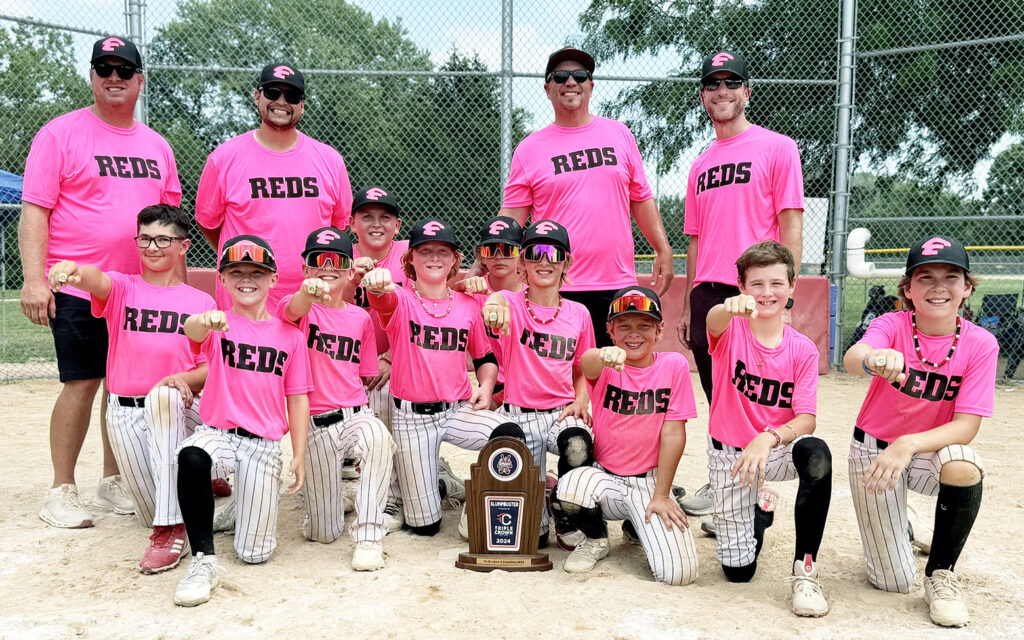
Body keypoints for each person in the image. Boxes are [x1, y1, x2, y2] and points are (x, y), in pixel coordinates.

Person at [20, 35, 181, 528]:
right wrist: (34, 280)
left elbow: (169, 224)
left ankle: (114, 479)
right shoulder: (60, 134)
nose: (115, 77)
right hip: (77, 287)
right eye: (104, 68)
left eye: (124, 70)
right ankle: (61, 488)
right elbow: (35, 210)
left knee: (126, 385)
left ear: (139, 80)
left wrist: (170, 291)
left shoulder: (156, 145)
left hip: (138, 290)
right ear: (92, 76)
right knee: (83, 382)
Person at [47, 204, 213, 573]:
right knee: (148, 511)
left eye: (163, 239)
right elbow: (96, 278)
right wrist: (71, 271)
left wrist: (181, 380)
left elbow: (210, 369)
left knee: (164, 398)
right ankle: (193, 487)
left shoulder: (200, 302)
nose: (152, 247)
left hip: (179, 408)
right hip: (124, 412)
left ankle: (170, 530)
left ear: (184, 246)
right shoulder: (124, 287)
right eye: (145, 238)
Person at [843, 236, 996, 628]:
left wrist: (908, 443)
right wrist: (876, 357)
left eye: (950, 277)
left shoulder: (980, 344)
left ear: (967, 288)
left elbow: (967, 426)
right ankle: (903, 524)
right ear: (908, 290)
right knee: (892, 581)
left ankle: (942, 573)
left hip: (928, 452)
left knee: (964, 462)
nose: (938, 286)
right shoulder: (891, 325)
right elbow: (853, 358)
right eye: (925, 277)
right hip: (875, 453)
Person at [500, 46, 674, 347]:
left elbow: (641, 199)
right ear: (547, 88)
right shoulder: (529, 149)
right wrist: (485, 256)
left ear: (591, 86)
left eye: (580, 75)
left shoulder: (619, 134)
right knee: (561, 385)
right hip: (555, 284)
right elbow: (512, 218)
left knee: (615, 381)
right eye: (561, 76)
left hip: (617, 283)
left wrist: (663, 248)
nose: (571, 82)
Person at [173, 235, 312, 607]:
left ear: (272, 279)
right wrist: (203, 320)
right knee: (191, 456)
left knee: (254, 553)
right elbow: (192, 331)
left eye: (256, 272)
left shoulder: (291, 336)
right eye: (236, 272)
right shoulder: (218, 324)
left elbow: (297, 397)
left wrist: (298, 453)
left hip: (263, 446)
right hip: (217, 432)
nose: (246, 279)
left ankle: (239, 511)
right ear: (222, 279)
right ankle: (204, 560)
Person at [704, 241, 832, 617]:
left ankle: (805, 568)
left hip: (774, 450)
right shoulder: (731, 330)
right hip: (732, 456)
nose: (766, 293)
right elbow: (713, 321)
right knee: (738, 573)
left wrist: (768, 436)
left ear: (792, 287)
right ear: (741, 286)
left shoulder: (803, 349)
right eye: (756, 284)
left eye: (777, 283)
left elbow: (806, 418)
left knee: (816, 454)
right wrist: (727, 309)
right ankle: (760, 514)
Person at [360, 218, 508, 537]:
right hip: (411, 420)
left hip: (456, 412)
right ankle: (438, 484)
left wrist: (485, 386)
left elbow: (485, 358)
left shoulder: (469, 304)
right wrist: (376, 282)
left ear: (455, 258)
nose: (434, 258)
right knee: (425, 526)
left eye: (443, 251)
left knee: (507, 433)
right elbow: (380, 298)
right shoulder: (400, 299)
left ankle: (478, 504)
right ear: (410, 259)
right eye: (425, 251)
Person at [679, 50, 805, 404]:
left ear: (747, 92)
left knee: (756, 395)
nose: (722, 90)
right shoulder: (700, 165)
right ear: (703, 95)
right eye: (712, 84)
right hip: (707, 295)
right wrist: (689, 304)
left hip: (754, 291)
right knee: (717, 399)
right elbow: (695, 241)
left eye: (732, 82)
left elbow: (791, 225)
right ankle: (724, 460)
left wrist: (787, 298)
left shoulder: (778, 148)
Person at [553, 286, 699, 585]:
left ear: (659, 330)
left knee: (680, 576)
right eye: (624, 326)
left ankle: (637, 524)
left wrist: (661, 494)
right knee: (568, 489)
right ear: (610, 330)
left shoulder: (674, 365)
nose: (634, 334)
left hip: (648, 483)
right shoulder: (605, 366)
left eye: (644, 325)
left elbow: (673, 433)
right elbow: (587, 363)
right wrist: (603, 355)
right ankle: (595, 538)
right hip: (604, 479)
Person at [280, 227, 395, 571]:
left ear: (349, 271)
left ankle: (369, 535)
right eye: (318, 260)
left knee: (378, 440)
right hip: (316, 426)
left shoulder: (359, 317)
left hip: (354, 414)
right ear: (305, 269)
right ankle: (332, 499)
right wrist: (307, 294)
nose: (327, 267)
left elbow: (363, 374)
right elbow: (293, 309)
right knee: (323, 533)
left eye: (337, 261)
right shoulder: (297, 309)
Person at [195, 62, 352, 311]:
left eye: (291, 95)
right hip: (246, 301)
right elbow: (208, 222)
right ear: (257, 96)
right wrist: (243, 254)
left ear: (302, 104)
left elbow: (337, 227)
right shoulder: (224, 158)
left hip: (313, 301)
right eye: (272, 92)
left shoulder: (330, 160)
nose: (281, 101)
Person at [476, 220, 595, 548]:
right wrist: (493, 309)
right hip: (519, 415)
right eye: (535, 253)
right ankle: (540, 503)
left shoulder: (579, 313)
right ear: (523, 262)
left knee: (577, 444)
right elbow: (493, 305)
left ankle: (565, 508)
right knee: (533, 539)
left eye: (554, 253)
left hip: (559, 413)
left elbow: (582, 369)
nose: (544, 261)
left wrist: (582, 398)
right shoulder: (508, 302)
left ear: (566, 262)